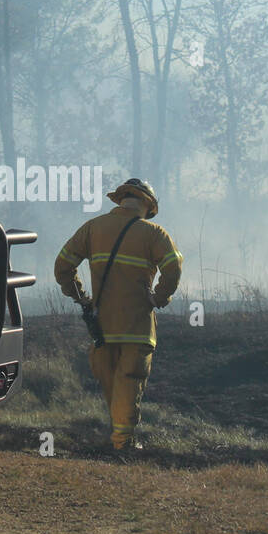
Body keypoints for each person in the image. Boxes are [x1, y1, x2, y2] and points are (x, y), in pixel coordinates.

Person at [53, 178, 182, 453]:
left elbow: (62, 265)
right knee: (129, 382)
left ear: (121, 199)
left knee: (112, 382)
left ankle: (117, 437)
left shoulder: (92, 228)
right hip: (137, 328)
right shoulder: (155, 233)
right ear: (147, 205)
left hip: (102, 327)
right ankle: (123, 444)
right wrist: (159, 298)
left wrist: (80, 296)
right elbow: (173, 267)